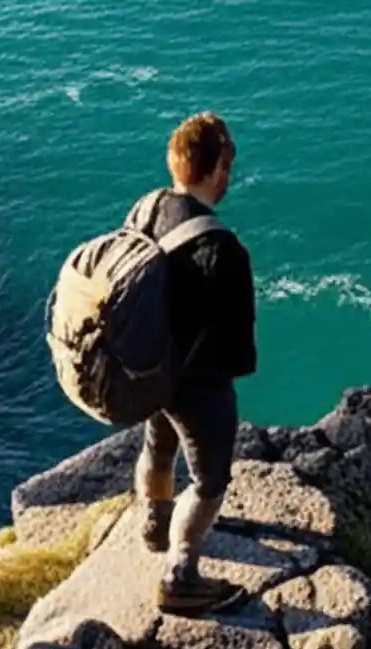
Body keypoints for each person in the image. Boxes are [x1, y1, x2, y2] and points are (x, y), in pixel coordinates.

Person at [122, 111, 257, 614]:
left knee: (157, 448)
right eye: (227, 165)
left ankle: (155, 522)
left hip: (146, 367)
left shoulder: (147, 207)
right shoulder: (222, 249)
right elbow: (235, 346)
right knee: (209, 483)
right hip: (195, 382)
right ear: (216, 169)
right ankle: (181, 575)